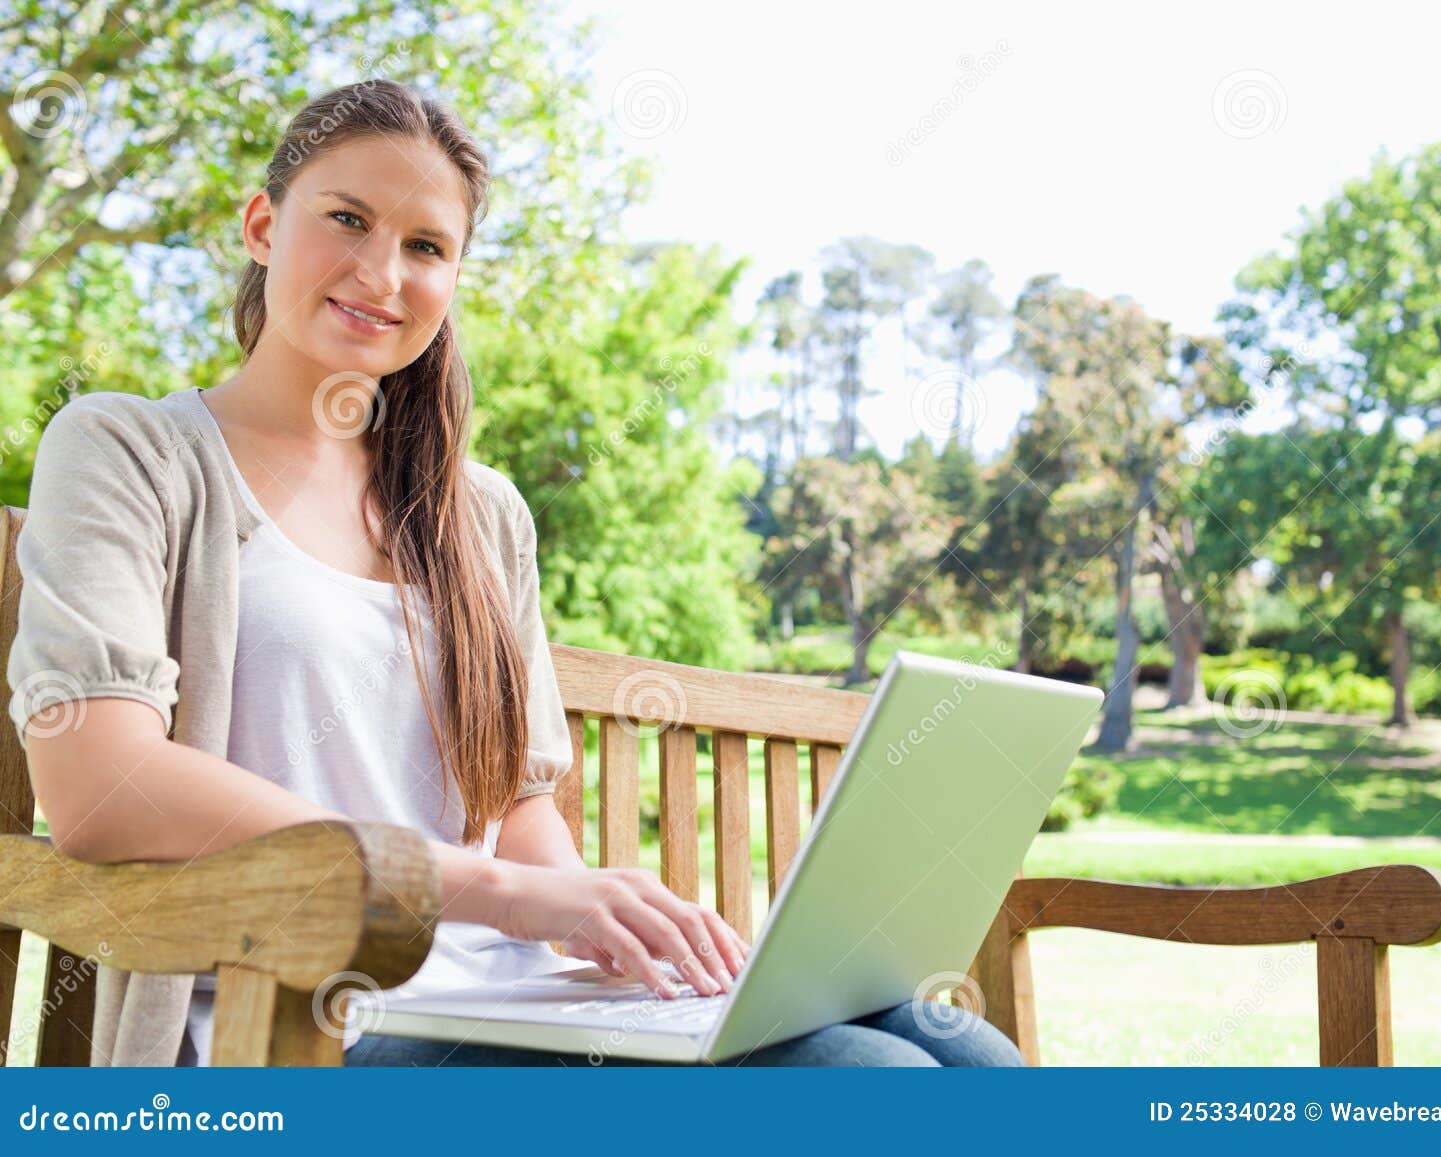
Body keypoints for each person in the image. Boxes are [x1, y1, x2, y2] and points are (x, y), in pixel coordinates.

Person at [11, 78, 1022, 1069]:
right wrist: (502, 892)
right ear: (264, 225)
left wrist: (606, 924)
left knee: (958, 1049)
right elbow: (106, 786)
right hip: (296, 1037)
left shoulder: (479, 513)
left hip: (516, 1007)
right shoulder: (128, 449)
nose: (382, 272)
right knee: (870, 1083)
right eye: (347, 219)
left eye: (425, 247)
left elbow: (518, 806)